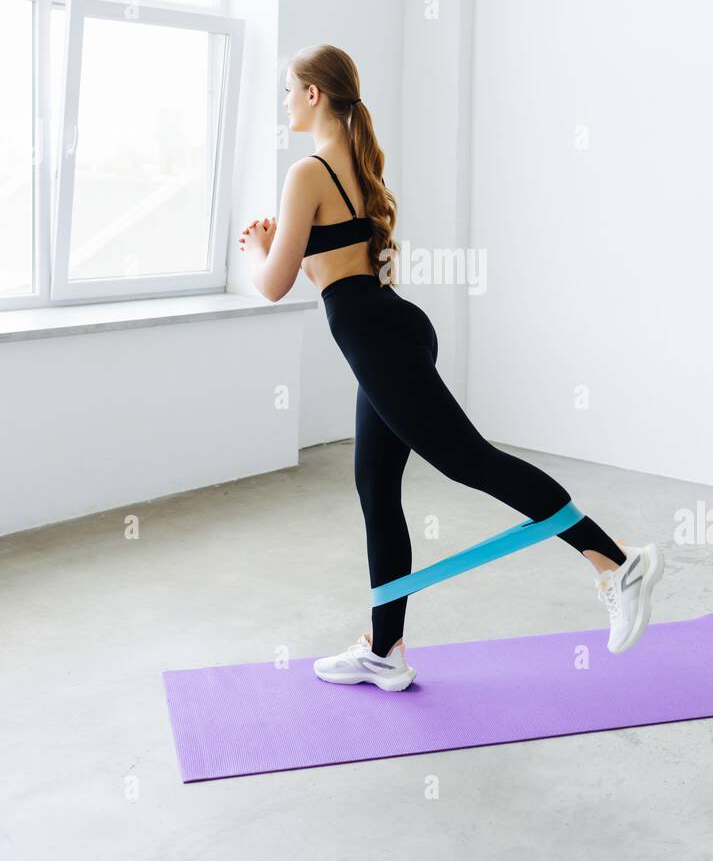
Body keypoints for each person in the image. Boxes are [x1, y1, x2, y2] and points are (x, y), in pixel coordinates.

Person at [239, 45, 664, 691]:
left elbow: (272, 285)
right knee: (376, 492)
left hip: (376, 339)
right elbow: (333, 263)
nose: (284, 102)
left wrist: (258, 250)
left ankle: (615, 561)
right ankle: (385, 649)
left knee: (468, 460)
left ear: (314, 95)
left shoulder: (307, 172)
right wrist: (286, 251)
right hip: (389, 330)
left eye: (288, 91)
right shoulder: (353, 162)